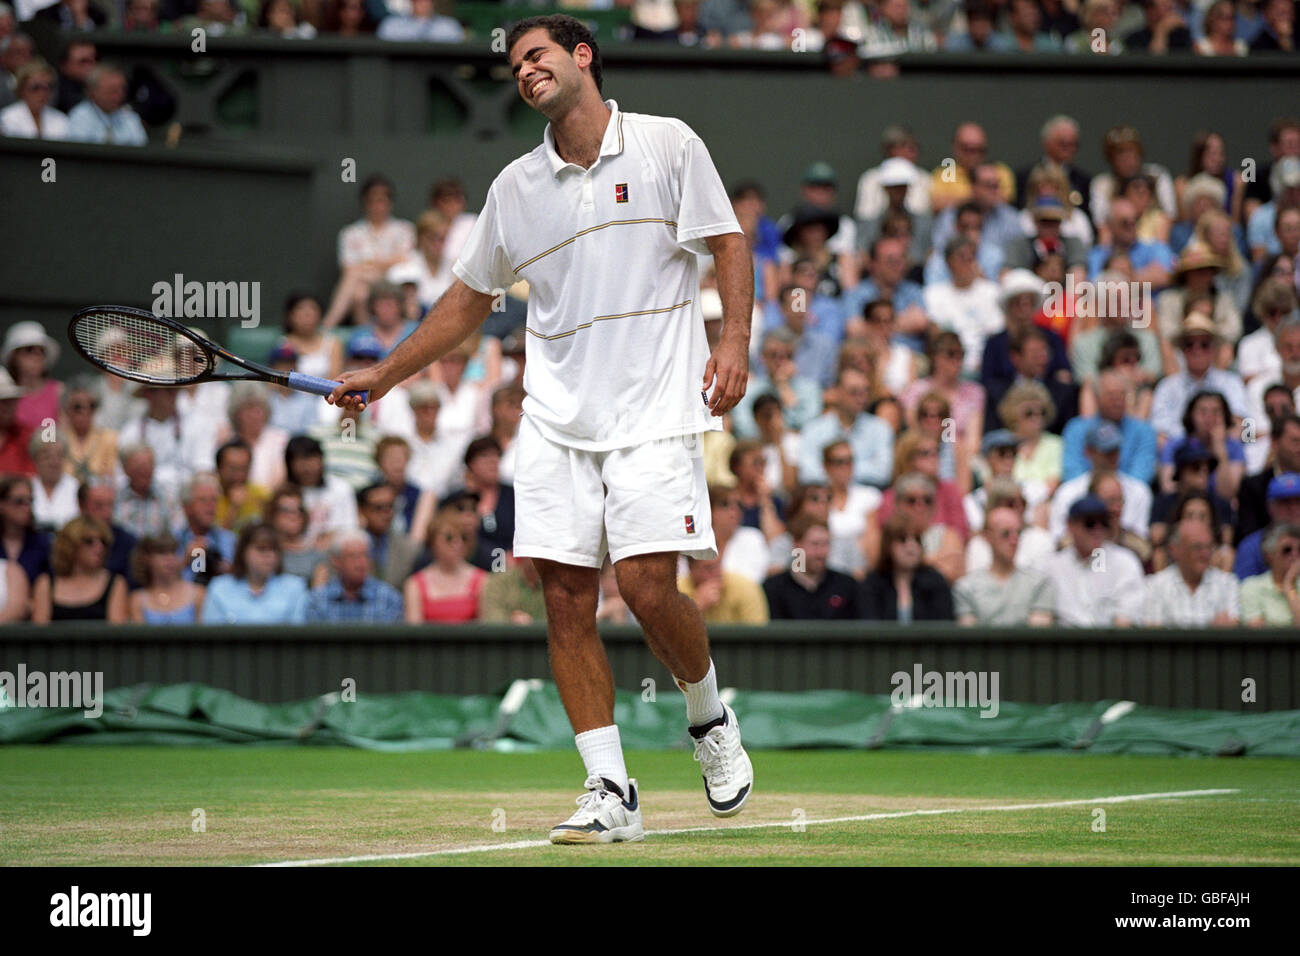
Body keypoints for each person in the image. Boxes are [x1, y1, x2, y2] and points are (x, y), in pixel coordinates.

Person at [330, 14, 755, 843]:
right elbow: (464, 305)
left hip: (654, 410)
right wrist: (384, 374)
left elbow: (728, 246)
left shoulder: (669, 144)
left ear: (581, 57)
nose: (525, 70)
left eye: (538, 55)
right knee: (563, 601)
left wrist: (735, 338)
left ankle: (708, 720)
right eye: (514, 64)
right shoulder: (513, 188)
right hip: (556, 422)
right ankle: (609, 789)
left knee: (642, 589)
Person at [1045, 495, 1146, 627]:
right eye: (1090, 523)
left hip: (1109, 642)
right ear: (1070, 525)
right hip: (1064, 643)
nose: (1097, 530)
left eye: (1104, 523)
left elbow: (1126, 619)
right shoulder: (1052, 566)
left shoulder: (1124, 562)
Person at [954, 504, 1055, 626]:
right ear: (987, 536)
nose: (1014, 540)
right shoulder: (966, 588)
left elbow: (1038, 635)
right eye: (1006, 533)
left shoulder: (1039, 583)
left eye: (1018, 533)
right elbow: (969, 637)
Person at [201, 522, 308, 624]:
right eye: (261, 549)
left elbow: (298, 637)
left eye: (274, 550)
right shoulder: (220, 588)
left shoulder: (295, 588)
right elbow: (212, 638)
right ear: (243, 552)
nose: (269, 555)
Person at [1143, 518, 1239, 626]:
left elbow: (1234, 629)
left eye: (1209, 547)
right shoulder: (1155, 586)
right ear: (1174, 549)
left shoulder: (1227, 584)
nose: (1205, 554)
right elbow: (1154, 633)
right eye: (1197, 547)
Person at [31, 516, 127, 623]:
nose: (99, 547)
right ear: (71, 545)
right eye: (89, 541)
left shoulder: (116, 583)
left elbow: (116, 633)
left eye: (103, 542)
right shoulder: (45, 583)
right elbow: (40, 632)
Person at [762, 514, 861, 619]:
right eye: (815, 544)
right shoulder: (774, 588)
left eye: (826, 544)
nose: (821, 552)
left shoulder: (847, 586)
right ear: (797, 545)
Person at [404, 509, 487, 623]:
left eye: (463, 537)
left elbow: (486, 628)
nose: (458, 543)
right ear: (432, 542)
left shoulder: (483, 580)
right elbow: (413, 632)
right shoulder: (414, 585)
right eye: (449, 537)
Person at [305, 529, 404, 623]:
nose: (360, 563)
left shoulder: (388, 598)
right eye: (353, 556)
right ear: (336, 561)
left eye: (365, 556)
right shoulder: (318, 601)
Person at [129, 532, 205, 624]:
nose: (170, 558)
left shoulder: (198, 594)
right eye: (162, 553)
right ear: (146, 558)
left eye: (173, 552)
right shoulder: (137, 600)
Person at [65, 63, 147, 145]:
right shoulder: (80, 116)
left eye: (122, 90)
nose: (119, 96)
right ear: (93, 91)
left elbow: (140, 148)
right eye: (112, 91)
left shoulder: (130, 117)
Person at [678, 553, 769, 623]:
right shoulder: (676, 591)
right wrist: (696, 607)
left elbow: (757, 635)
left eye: (718, 565)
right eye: (709, 568)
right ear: (691, 568)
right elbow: (670, 637)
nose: (717, 573)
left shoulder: (745, 587)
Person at [264, 485, 328, 584]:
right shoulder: (264, 552)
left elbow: (319, 594)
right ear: (272, 515)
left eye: (299, 510)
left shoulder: (316, 556)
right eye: (286, 510)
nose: (294, 516)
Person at [1240, 522, 1300, 626]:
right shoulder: (1252, 586)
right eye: (1287, 550)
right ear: (1269, 555)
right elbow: (1257, 633)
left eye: (1299, 549)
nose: (1295, 555)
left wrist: (1289, 587)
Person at [0, 60, 69, 140]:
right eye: (36, 87)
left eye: (48, 87)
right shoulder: (6, 118)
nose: (43, 93)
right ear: (22, 89)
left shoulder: (61, 119)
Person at [0, 475, 49, 585]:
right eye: (19, 501)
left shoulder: (43, 544)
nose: (27, 507)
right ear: (1, 504)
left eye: (30, 501)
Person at [480, 555, 548, 624]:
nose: (540, 556)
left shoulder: (554, 585)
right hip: (506, 634)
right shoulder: (499, 581)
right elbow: (492, 618)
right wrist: (511, 621)